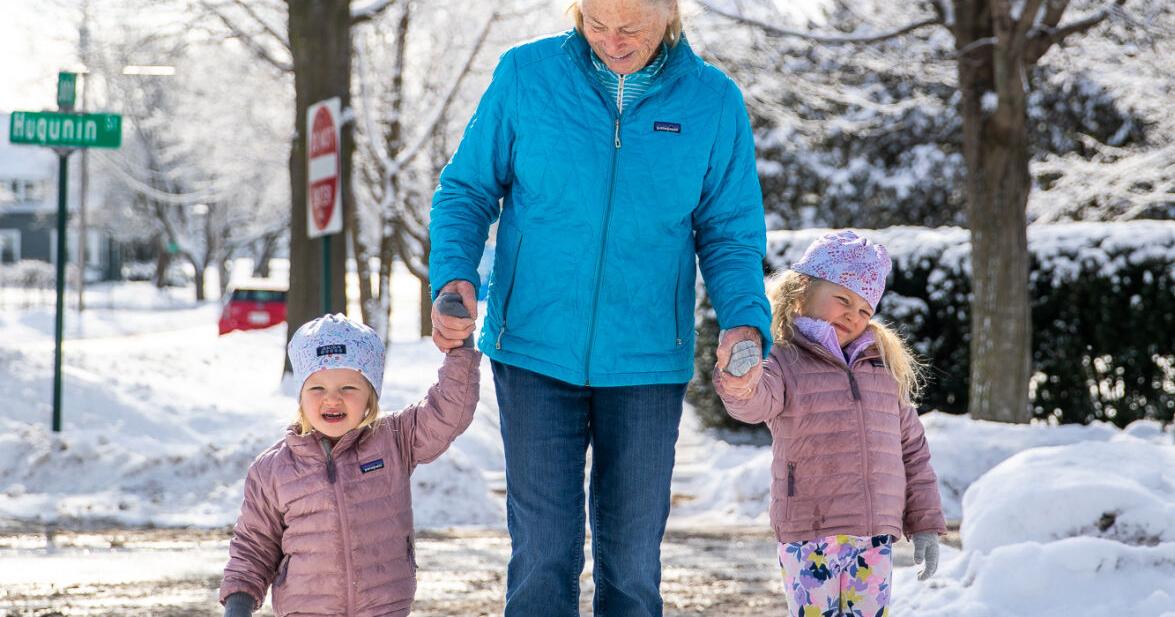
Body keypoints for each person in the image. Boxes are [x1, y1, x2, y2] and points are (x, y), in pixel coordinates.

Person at [427, 0, 771, 613]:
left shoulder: (714, 102)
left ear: (669, 12)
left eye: (631, 27)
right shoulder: (525, 76)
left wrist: (743, 318)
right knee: (542, 555)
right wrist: (456, 277)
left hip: (645, 360)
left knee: (634, 566)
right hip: (534, 349)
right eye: (596, 23)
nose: (612, 41)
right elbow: (467, 190)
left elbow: (729, 230)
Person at [713, 230, 947, 617]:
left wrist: (924, 522)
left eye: (864, 310)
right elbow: (754, 402)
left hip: (873, 536)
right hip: (809, 531)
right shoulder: (785, 359)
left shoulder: (881, 368)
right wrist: (742, 377)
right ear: (804, 291)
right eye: (843, 299)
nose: (853, 316)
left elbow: (913, 453)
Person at [218, 311, 480, 617]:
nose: (332, 399)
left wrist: (460, 349)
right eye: (317, 388)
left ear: (370, 396)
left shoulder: (394, 440)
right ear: (301, 394)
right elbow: (254, 546)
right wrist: (239, 601)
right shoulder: (273, 470)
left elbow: (448, 414)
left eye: (348, 388)